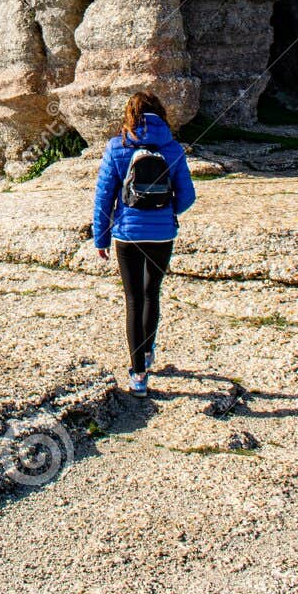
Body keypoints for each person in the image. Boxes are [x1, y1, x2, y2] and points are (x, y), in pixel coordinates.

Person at [92, 91, 196, 397]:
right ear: (160, 113)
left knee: (133, 299)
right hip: (162, 234)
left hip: (127, 235)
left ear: (130, 115)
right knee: (152, 294)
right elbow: (188, 196)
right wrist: (166, 213)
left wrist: (101, 238)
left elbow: (103, 199)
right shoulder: (173, 147)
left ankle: (138, 375)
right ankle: (148, 353)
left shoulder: (116, 147)